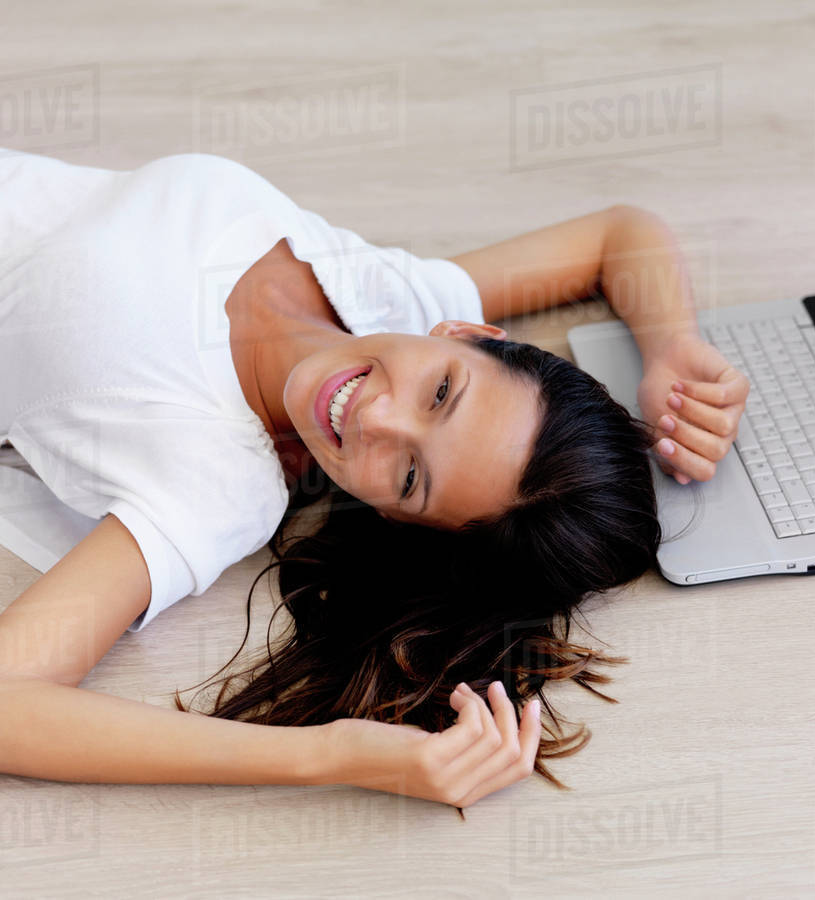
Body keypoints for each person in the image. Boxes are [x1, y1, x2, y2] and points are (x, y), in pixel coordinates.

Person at [0, 149, 750, 811]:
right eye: (442, 393)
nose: (377, 416)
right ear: (466, 333)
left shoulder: (214, 486)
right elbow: (618, 236)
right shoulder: (390, 298)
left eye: (411, 475)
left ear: (397, 518)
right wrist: (672, 348)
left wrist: (332, 755)